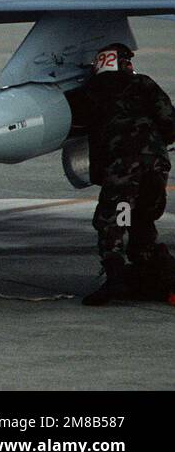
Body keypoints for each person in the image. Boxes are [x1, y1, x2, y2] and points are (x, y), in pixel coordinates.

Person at [70, 42, 175, 306]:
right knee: (143, 216)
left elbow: (78, 124)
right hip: (156, 162)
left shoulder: (91, 91)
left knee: (112, 220)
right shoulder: (144, 84)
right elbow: (169, 120)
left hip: (123, 165)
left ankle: (116, 279)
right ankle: (153, 273)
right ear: (125, 63)